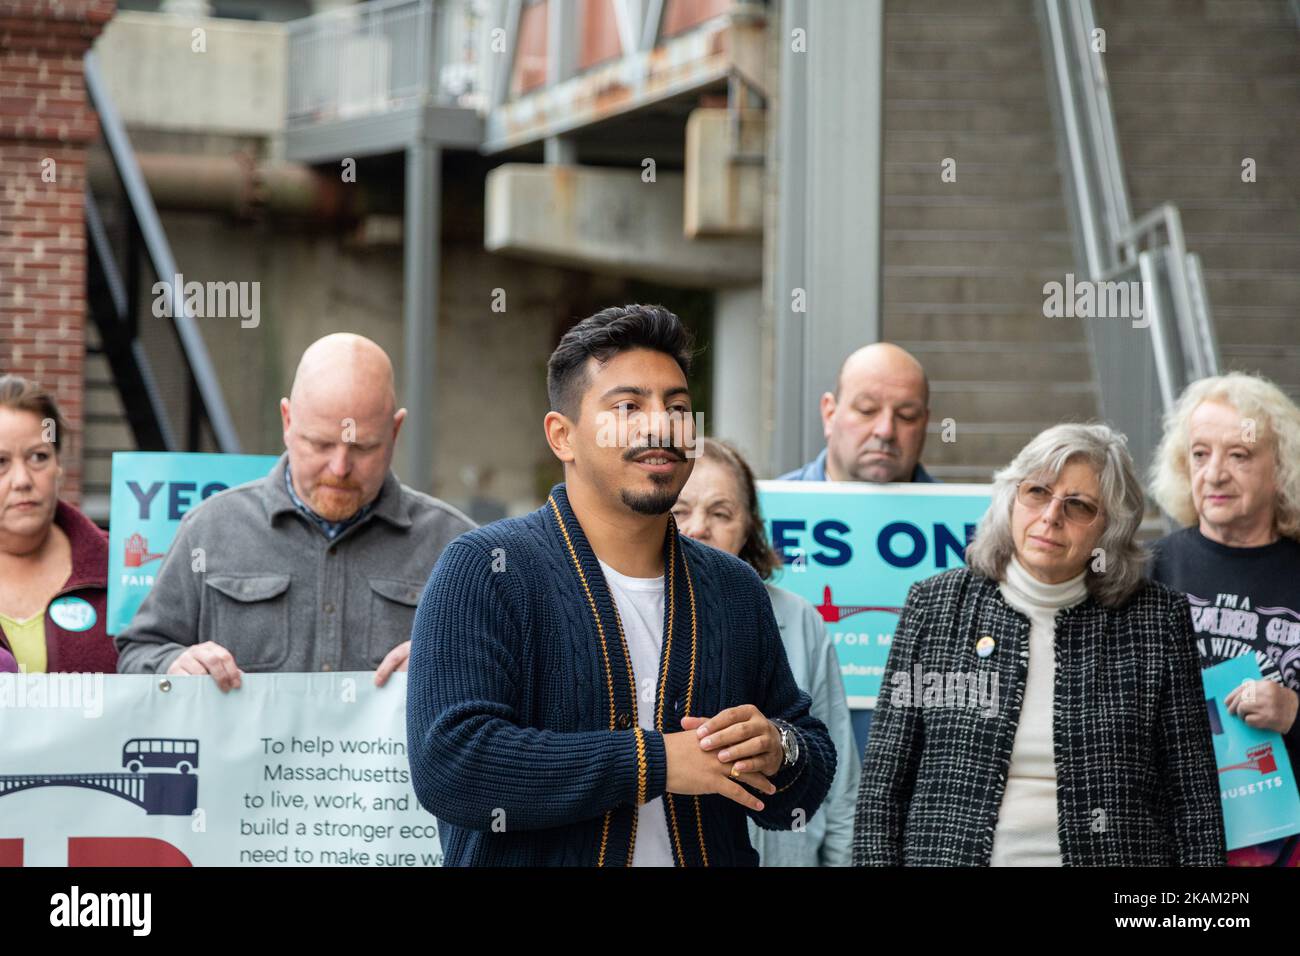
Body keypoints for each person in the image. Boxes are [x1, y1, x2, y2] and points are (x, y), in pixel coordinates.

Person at [406, 304, 835, 866]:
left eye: (678, 407)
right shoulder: (485, 569)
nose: (660, 425)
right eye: (628, 406)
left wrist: (779, 749)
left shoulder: (733, 587)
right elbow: (453, 765)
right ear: (563, 436)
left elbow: (808, 765)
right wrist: (656, 763)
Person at [854, 422, 1224, 866]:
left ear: (1110, 529)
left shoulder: (1155, 620)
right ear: (1011, 496)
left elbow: (1194, 800)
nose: (1051, 516)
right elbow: (882, 789)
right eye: (1037, 492)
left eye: (1079, 505)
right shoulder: (934, 606)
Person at [115, 333, 474, 688]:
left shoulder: (456, 547)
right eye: (320, 444)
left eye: (363, 448)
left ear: (394, 431)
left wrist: (452, 663)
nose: (340, 468)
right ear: (288, 422)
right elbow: (136, 654)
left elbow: (516, 684)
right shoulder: (209, 531)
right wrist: (172, 665)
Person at [673, 436, 858, 866]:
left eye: (721, 513)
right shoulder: (628, 612)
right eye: (680, 510)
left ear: (749, 528)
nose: (698, 527)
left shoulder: (800, 619)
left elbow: (842, 778)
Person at [1150, 372, 1300, 866]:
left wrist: (1295, 713)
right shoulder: (1148, 571)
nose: (1213, 474)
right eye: (1199, 454)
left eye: (1238, 455)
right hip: (1169, 843)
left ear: (1281, 468)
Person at [779, 342, 936, 746]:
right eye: (867, 410)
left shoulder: (976, 535)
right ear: (829, 413)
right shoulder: (759, 517)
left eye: (906, 415)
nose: (885, 430)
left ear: (926, 423)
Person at [0, 375, 115, 673]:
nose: (22, 480)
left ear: (59, 466)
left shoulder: (122, 568)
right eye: (0, 462)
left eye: (38, 457)